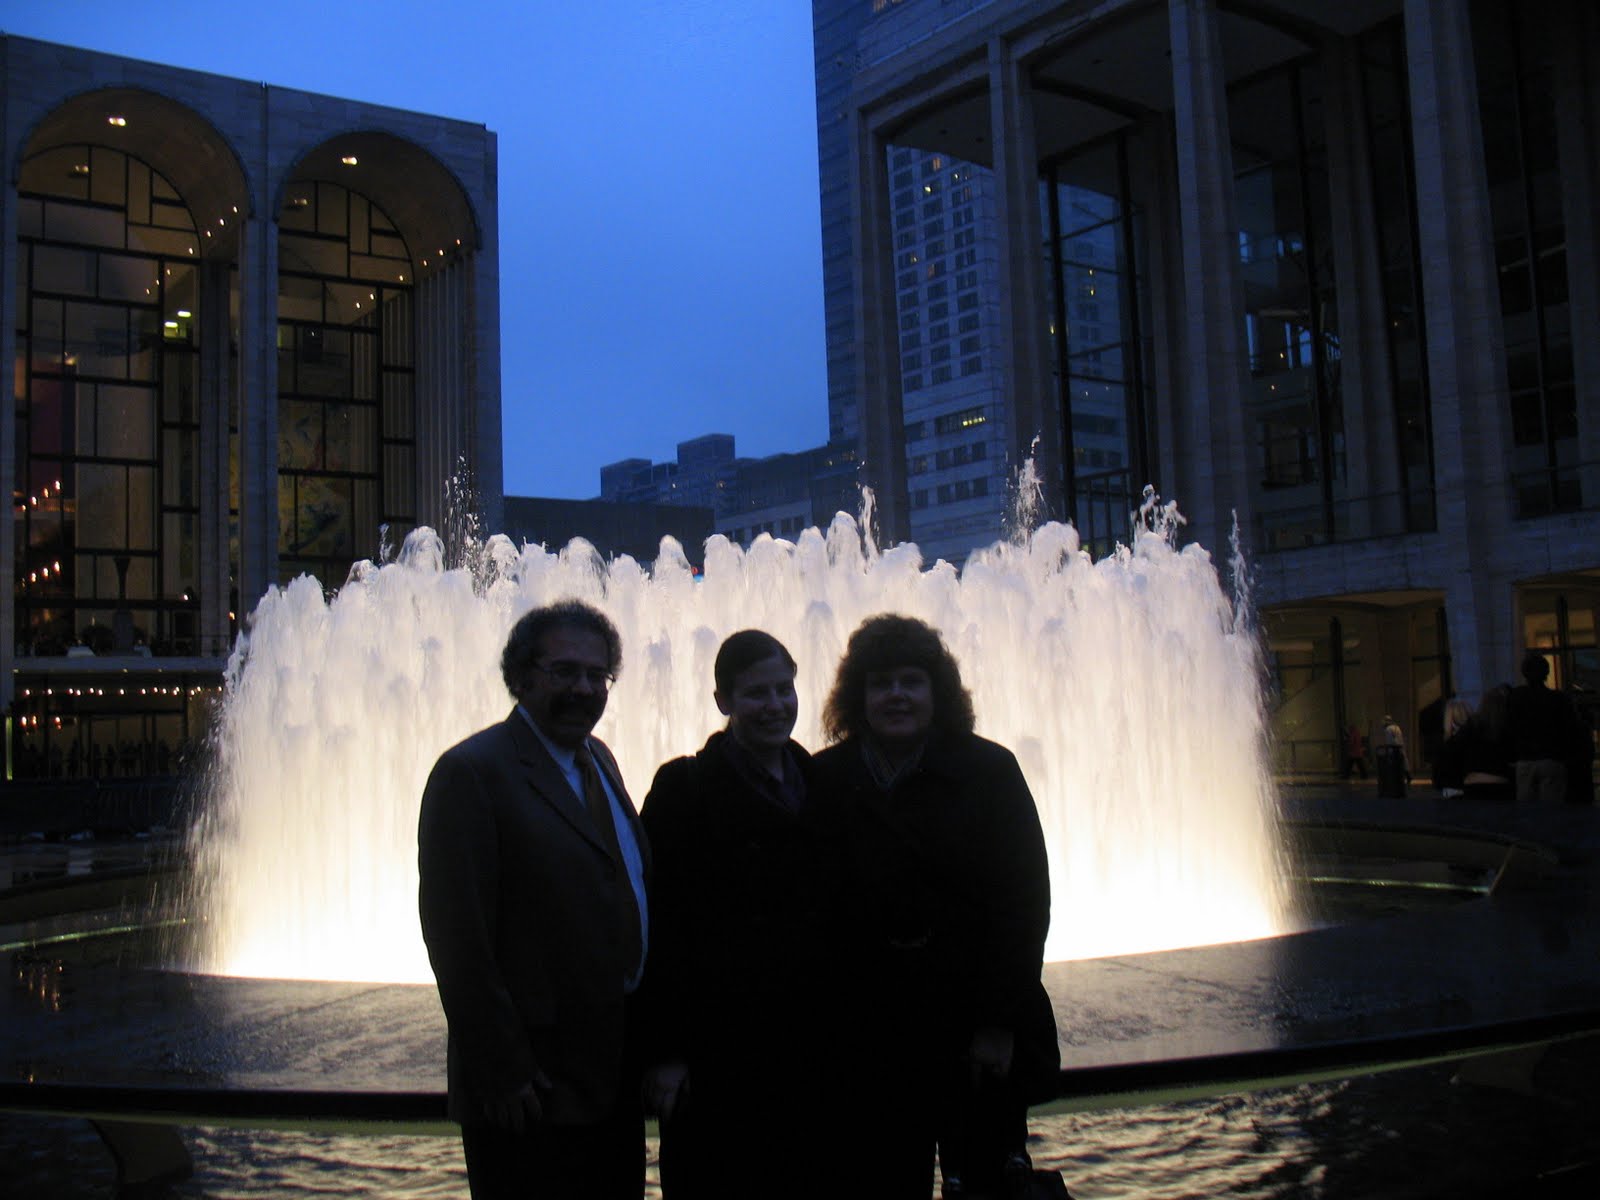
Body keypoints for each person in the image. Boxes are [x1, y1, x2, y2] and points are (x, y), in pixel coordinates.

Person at [812, 614, 1057, 1199]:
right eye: (880, 683)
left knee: (985, 1177)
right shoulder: (824, 778)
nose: (895, 695)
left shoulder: (989, 771)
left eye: (911, 681)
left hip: (973, 1028)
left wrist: (998, 1022)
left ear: (936, 692)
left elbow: (1023, 904)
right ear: (858, 696)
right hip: (870, 1035)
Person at [418, 600, 649, 1199]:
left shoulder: (599, 760)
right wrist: (502, 1070)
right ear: (520, 677)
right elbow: (456, 937)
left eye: (597, 675)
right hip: (531, 1088)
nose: (584, 688)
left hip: (608, 1075)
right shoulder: (471, 772)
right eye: (564, 672)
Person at [639, 630, 842, 1198]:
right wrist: (667, 1052)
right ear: (724, 701)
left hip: (812, 1046)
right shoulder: (684, 789)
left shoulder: (824, 784)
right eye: (757, 694)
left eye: (784, 689)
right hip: (718, 1053)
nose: (775, 706)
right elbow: (661, 926)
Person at [1507, 652, 1580, 805]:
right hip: (1551, 758)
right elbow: (1569, 729)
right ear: (1546, 673)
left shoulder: (1515, 698)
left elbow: (1510, 727)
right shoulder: (1558, 699)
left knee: (1527, 812)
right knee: (1552, 811)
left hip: (1525, 759)